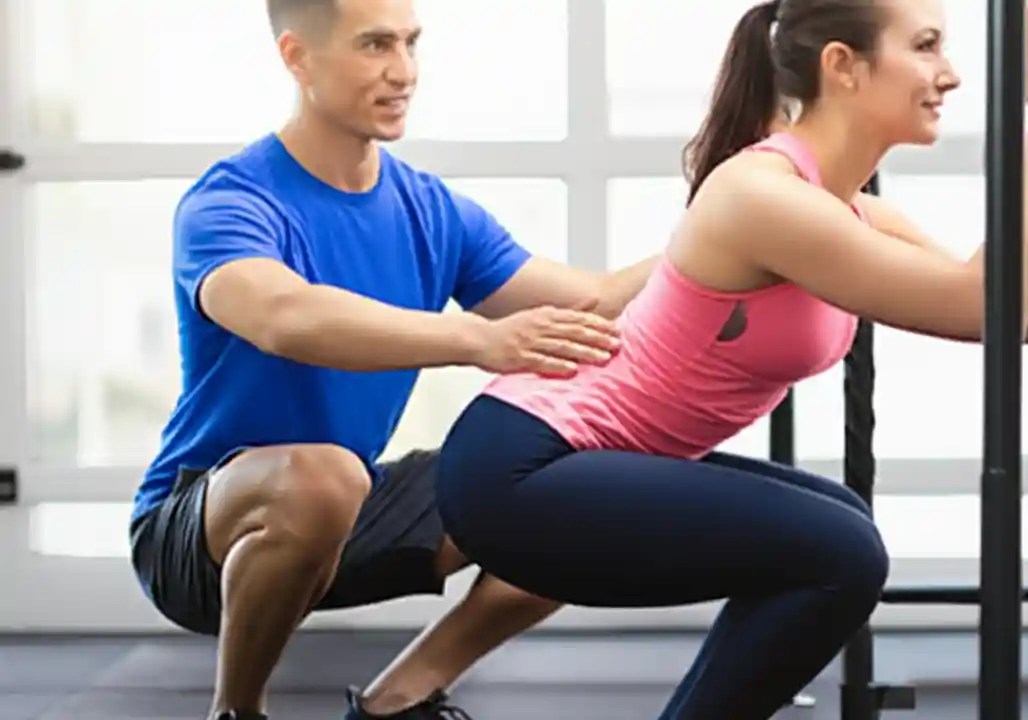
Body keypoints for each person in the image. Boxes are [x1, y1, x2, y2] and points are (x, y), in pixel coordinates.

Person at [434, 0, 1028, 718]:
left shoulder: (853, 212)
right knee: (841, 551)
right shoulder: (761, 196)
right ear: (842, 66)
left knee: (835, 523)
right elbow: (986, 304)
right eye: (928, 46)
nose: (953, 75)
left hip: (566, 461)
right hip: (521, 467)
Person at [125, 1, 661, 719]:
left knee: (576, 489)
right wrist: (476, 341)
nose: (403, 71)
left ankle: (397, 702)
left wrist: (733, 227)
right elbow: (286, 317)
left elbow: (590, 304)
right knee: (323, 478)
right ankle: (236, 712)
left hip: (350, 502)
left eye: (410, 44)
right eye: (375, 45)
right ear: (297, 57)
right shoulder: (231, 201)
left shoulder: (428, 208)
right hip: (200, 529)